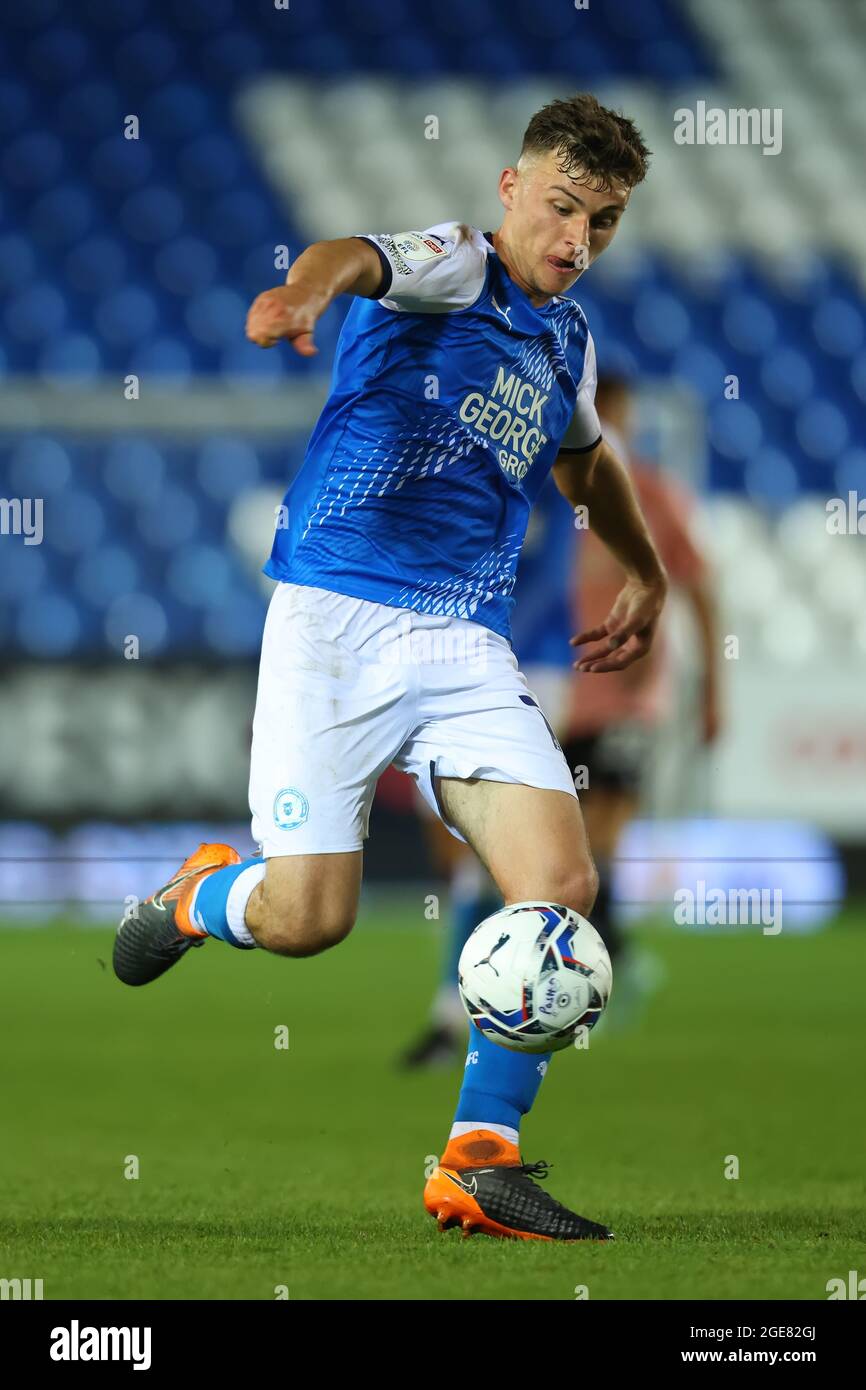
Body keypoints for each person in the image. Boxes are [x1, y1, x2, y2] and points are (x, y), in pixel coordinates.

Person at [114, 94, 666, 1242]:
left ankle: (476, 1156)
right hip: (333, 628)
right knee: (311, 918)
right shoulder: (455, 263)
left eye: (602, 223)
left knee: (560, 890)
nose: (575, 241)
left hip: (464, 646)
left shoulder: (566, 340)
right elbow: (351, 257)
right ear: (510, 189)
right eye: (562, 208)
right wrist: (302, 293)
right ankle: (202, 895)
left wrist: (644, 569)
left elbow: (582, 460)